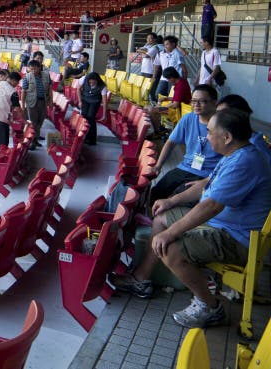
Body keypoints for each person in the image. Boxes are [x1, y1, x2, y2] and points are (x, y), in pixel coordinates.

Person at [110, 109, 271, 328]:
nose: (206, 137)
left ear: (227, 137)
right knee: (161, 218)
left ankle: (210, 306)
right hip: (222, 224)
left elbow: (211, 206)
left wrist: (171, 233)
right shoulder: (235, 154)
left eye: (210, 132)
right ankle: (141, 279)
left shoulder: (244, 162)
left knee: (169, 248)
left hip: (235, 238)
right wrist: (171, 202)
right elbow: (206, 185)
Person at [149, 84, 220, 203]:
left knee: (179, 199)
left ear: (214, 103)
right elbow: (171, 142)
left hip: (209, 174)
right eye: (193, 101)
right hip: (186, 167)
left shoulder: (222, 124)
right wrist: (158, 165)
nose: (196, 105)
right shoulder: (188, 119)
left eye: (202, 101)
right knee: (156, 192)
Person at [216, 95, 271, 165]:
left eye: (223, 114)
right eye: (217, 114)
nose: (217, 118)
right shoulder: (233, 137)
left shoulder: (256, 142)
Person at [148, 67, 192, 135]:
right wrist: (167, 98)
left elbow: (175, 104)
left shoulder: (180, 86)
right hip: (177, 109)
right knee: (150, 108)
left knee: (152, 110)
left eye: (168, 79)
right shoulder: (182, 82)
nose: (168, 81)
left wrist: (162, 107)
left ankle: (158, 132)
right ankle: (161, 128)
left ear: (172, 77)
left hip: (176, 111)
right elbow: (179, 98)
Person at [21, 60, 52, 150]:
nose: (33, 71)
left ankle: (35, 138)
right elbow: (23, 91)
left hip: (43, 102)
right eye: (31, 69)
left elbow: (50, 89)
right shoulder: (27, 77)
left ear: (39, 68)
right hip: (31, 102)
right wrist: (22, 104)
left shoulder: (46, 75)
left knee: (40, 121)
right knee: (33, 122)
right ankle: (33, 141)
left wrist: (51, 102)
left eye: (35, 69)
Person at [80, 72, 106, 145]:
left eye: (93, 82)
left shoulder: (102, 86)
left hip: (95, 101)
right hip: (85, 99)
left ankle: (92, 139)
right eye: (90, 81)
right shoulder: (84, 79)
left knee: (91, 117)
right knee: (84, 115)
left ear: (97, 80)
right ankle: (84, 137)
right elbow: (78, 89)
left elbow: (104, 101)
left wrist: (104, 114)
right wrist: (79, 101)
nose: (91, 83)